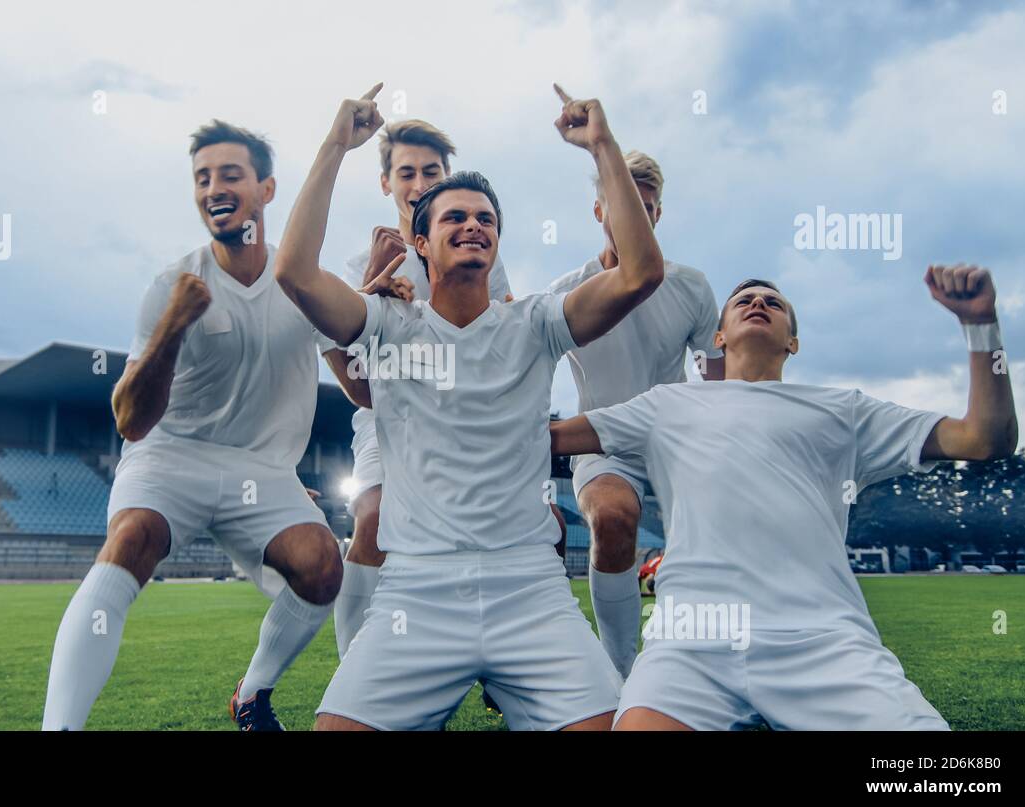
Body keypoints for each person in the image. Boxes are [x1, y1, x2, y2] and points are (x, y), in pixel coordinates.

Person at [275, 84, 664, 730]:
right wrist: (336, 146)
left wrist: (601, 145)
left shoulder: (535, 322)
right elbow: (293, 271)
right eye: (453, 217)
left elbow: (639, 273)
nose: (472, 224)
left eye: (485, 217)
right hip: (418, 595)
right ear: (421, 244)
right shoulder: (388, 323)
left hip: (530, 591)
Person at [550, 266, 1018, 730]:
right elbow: (552, 438)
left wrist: (981, 327)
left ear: (792, 343)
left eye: (773, 303)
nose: (758, 304)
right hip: (690, 644)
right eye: (744, 301)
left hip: (824, 642)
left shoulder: (842, 410)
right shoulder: (667, 404)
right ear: (718, 338)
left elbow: (983, 438)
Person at [42, 120, 342, 732]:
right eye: (202, 179)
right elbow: (130, 420)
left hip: (262, 470)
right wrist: (172, 327)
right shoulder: (170, 286)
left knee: (322, 567)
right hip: (171, 457)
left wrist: (376, 309)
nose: (213, 188)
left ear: (266, 189)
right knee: (129, 541)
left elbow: (359, 381)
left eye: (229, 174)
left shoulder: (302, 280)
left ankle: (251, 693)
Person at [324, 118, 514, 660]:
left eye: (430, 171)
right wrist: (371, 295)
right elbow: (360, 387)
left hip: (466, 418)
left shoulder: (475, 250)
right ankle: (353, 670)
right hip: (391, 420)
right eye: (405, 172)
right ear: (386, 183)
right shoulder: (364, 264)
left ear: (447, 175)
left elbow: (502, 344)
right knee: (374, 516)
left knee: (537, 524)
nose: (417, 182)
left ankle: (503, 659)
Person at [545, 150, 724, 678]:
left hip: (678, 440)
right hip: (603, 444)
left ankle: (706, 662)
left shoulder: (690, 287)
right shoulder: (564, 294)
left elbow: (720, 383)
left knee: (720, 529)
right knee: (613, 517)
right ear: (599, 211)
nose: (634, 218)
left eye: (645, 209)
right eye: (622, 207)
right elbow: (527, 371)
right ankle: (621, 673)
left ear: (658, 215)